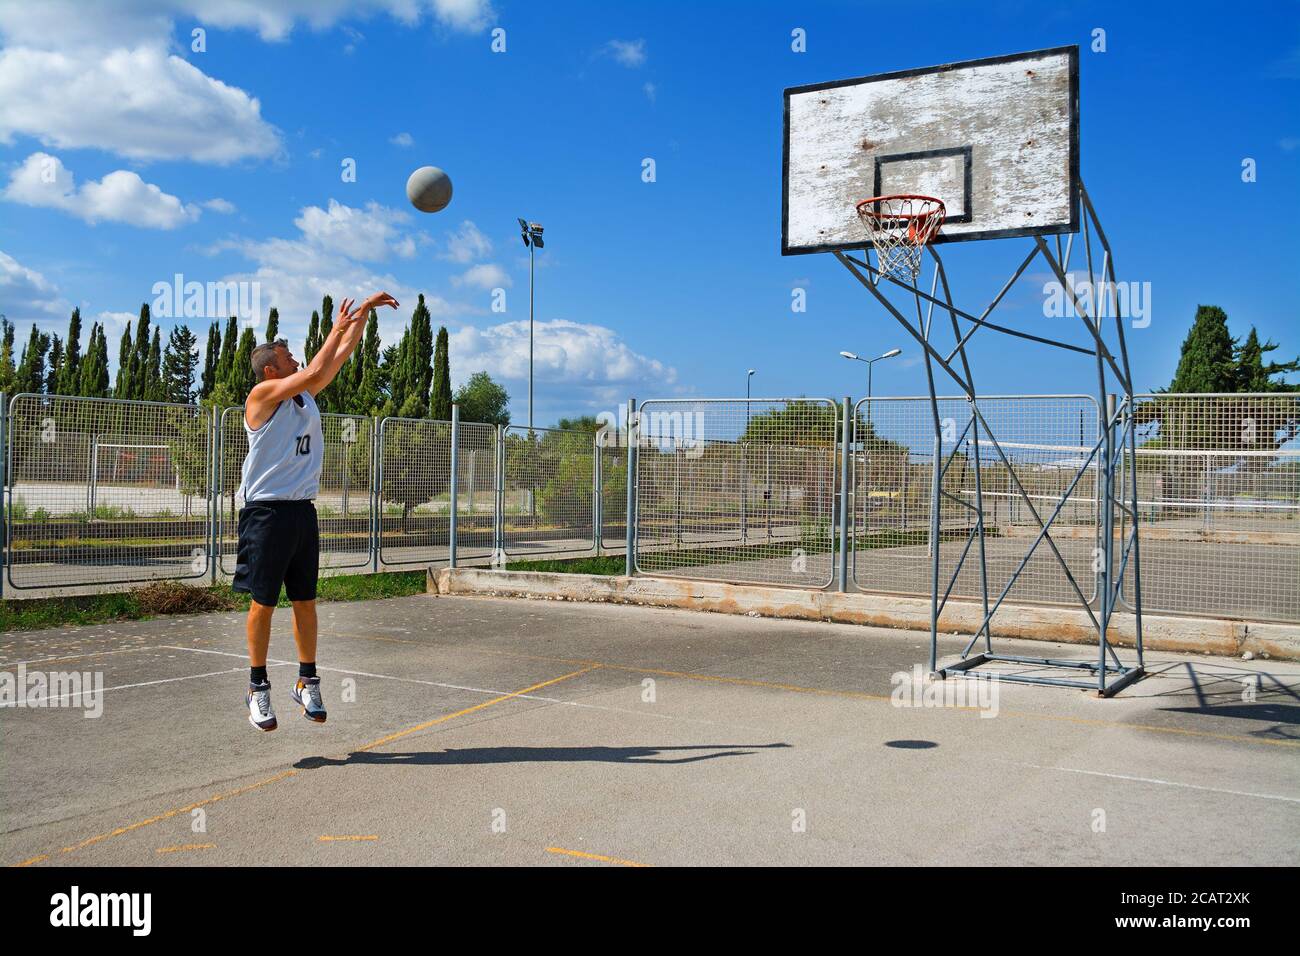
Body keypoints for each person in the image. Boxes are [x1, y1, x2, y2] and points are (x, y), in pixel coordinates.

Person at [236, 292, 399, 730]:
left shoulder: (304, 396)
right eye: (287, 356)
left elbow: (337, 359)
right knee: (263, 603)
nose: (296, 359)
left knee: (305, 602)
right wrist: (334, 326)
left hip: (301, 514)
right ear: (272, 368)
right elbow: (314, 367)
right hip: (266, 514)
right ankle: (257, 687)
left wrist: (361, 316)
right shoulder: (261, 394)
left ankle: (307, 681)